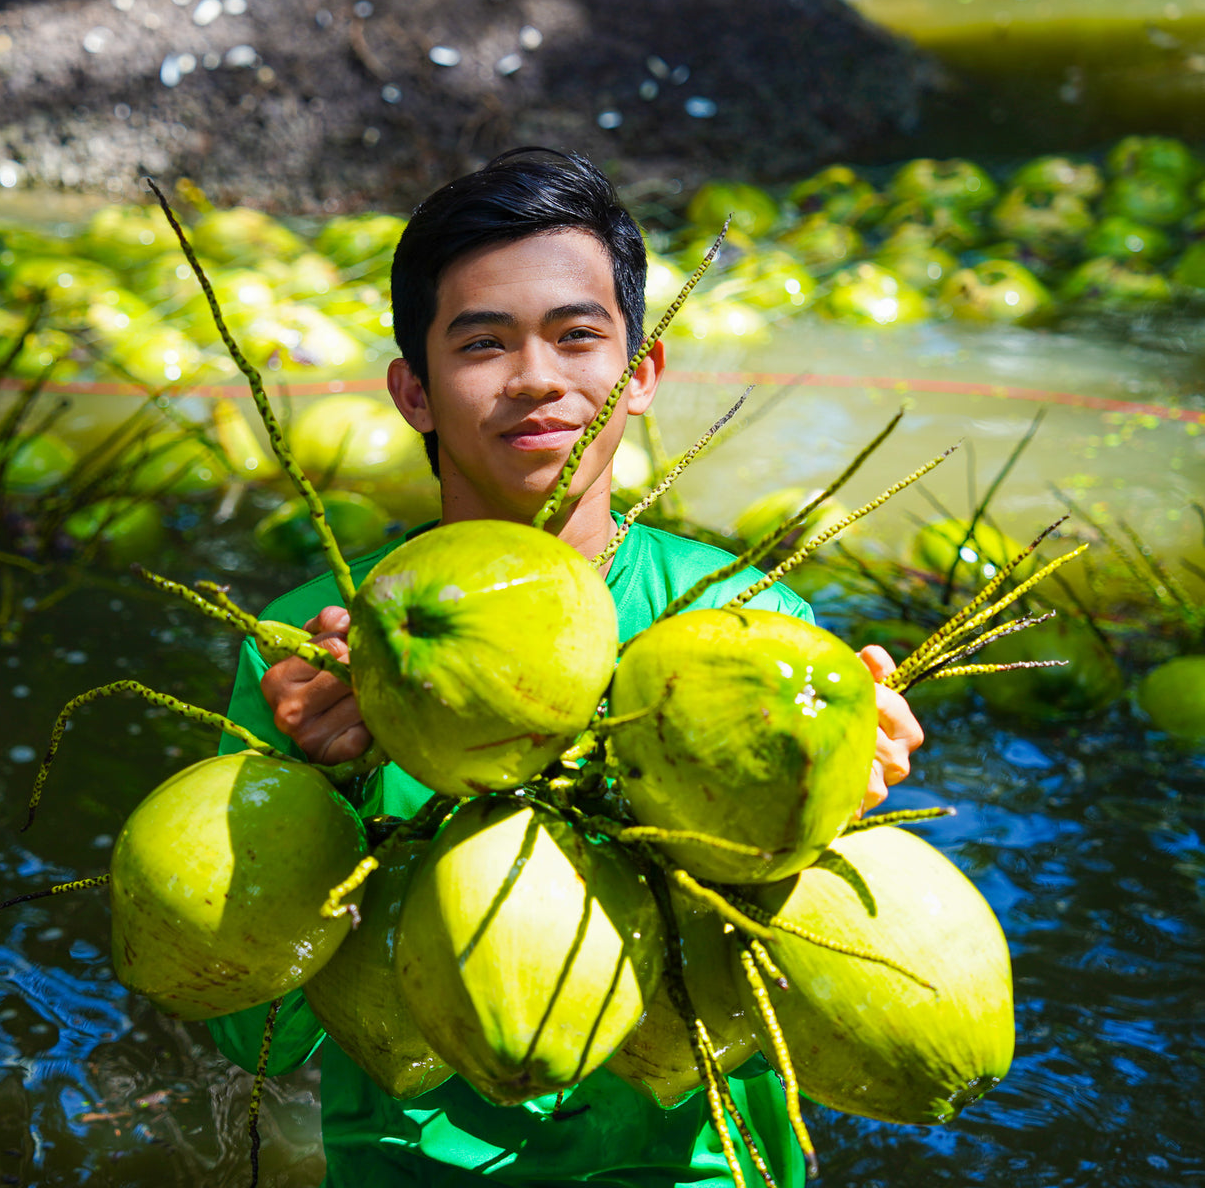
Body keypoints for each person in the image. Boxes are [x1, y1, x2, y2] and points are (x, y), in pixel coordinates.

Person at [207, 148, 924, 1186]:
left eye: (578, 337)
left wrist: (832, 812)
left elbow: (824, 991)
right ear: (413, 392)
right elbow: (252, 1036)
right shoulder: (315, 650)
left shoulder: (750, 621)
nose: (538, 378)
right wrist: (320, 781)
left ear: (644, 375)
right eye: (482, 344)